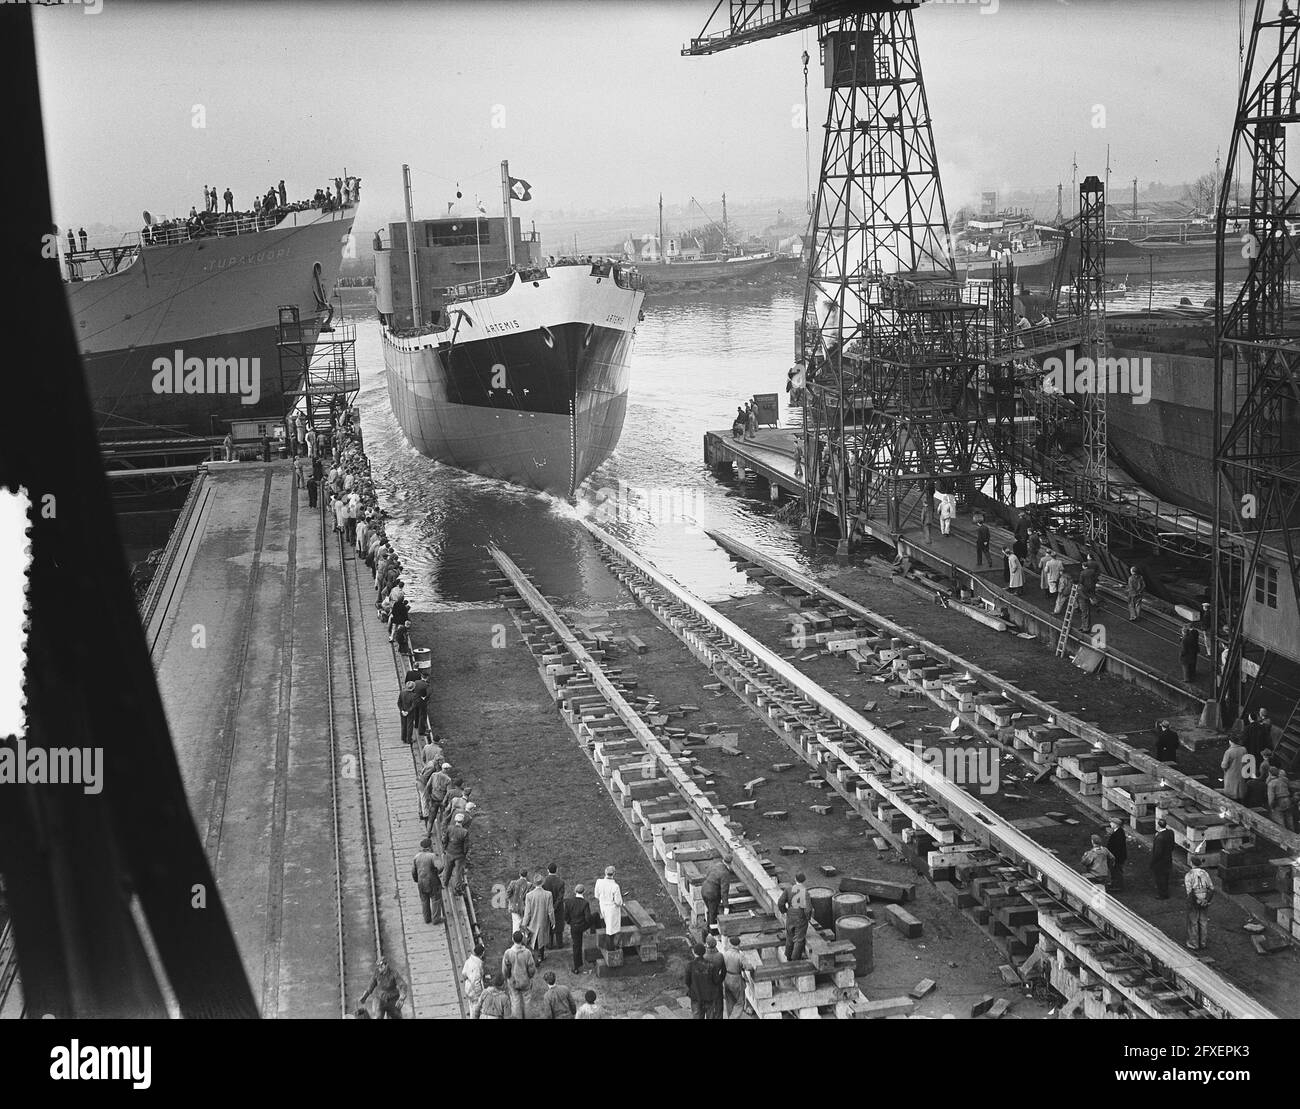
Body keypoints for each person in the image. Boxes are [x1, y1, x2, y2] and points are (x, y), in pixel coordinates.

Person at [501, 931, 537, 1019]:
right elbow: (531, 968)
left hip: (513, 981)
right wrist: (530, 976)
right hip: (525, 981)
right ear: (522, 939)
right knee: (527, 1001)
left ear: (513, 939)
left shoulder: (508, 953)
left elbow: (505, 969)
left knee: (515, 1001)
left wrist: (507, 977)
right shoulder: (527, 953)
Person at [776, 872, 811, 961]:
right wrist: (807, 918)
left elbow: (780, 902)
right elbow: (808, 909)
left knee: (790, 936)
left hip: (790, 915)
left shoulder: (788, 889)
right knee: (798, 939)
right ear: (804, 881)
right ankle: (795, 959)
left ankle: (788, 956)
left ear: (795, 879)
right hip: (800, 916)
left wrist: (784, 911)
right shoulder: (805, 892)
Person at [1184, 852, 1214, 951]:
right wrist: (1206, 900)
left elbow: (1189, 891)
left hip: (1195, 899)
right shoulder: (1205, 873)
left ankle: (1194, 944)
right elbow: (1211, 888)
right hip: (1205, 897)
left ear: (1192, 863)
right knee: (1203, 922)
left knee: (1193, 922)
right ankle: (1203, 943)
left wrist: (1196, 901)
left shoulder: (1189, 875)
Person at [522, 874, 556, 961]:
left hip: (532, 923)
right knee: (541, 941)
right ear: (543, 882)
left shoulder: (529, 895)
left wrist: (524, 924)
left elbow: (527, 913)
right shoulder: (548, 894)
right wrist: (553, 922)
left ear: (534, 883)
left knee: (535, 942)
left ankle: (536, 959)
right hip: (543, 922)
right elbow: (550, 911)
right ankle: (540, 957)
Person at [685, 942, 723, 1019]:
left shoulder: (690, 965)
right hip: (709, 997)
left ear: (694, 952)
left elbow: (687, 981)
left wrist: (693, 988)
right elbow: (716, 981)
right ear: (704, 952)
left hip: (696, 996)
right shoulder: (711, 965)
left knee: (697, 1016)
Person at [412, 836, 444, 925]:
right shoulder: (432, 856)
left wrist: (417, 880)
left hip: (421, 882)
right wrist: (436, 872)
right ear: (430, 847)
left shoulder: (416, 857)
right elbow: (440, 867)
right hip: (432, 882)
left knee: (424, 900)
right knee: (436, 899)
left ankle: (427, 919)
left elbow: (413, 871)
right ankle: (436, 919)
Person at [563, 884, 593, 973]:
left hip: (574, 927)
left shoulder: (568, 902)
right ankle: (594, 933)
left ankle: (576, 967)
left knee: (576, 946)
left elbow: (565, 916)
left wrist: (570, 922)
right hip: (583, 925)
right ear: (584, 892)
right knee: (596, 916)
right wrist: (588, 924)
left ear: (575, 891)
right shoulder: (585, 903)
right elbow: (588, 918)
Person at [441, 811, 469, 893]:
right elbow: (466, 846)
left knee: (447, 869)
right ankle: (457, 888)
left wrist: (444, 849)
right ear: (462, 821)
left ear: (455, 820)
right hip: (459, 855)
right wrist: (464, 853)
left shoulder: (449, 828)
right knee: (458, 872)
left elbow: (444, 840)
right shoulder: (464, 832)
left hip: (449, 852)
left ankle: (445, 883)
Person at [700, 859, 731, 933]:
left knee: (710, 910)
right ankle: (712, 934)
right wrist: (726, 906)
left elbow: (707, 875)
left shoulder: (716, 865)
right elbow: (724, 891)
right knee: (713, 913)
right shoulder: (725, 873)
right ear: (730, 864)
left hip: (704, 889)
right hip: (711, 894)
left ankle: (707, 928)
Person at [594, 865, 624, 938]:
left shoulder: (599, 882)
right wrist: (621, 902)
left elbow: (596, 895)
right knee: (611, 930)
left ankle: (611, 946)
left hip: (603, 906)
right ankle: (611, 947)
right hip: (612, 909)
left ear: (605, 872)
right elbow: (618, 902)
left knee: (608, 924)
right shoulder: (615, 886)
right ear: (614, 874)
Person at [721, 934, 747, 1018]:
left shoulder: (726, 953)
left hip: (727, 977)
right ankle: (733, 1017)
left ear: (730, 944)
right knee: (740, 1002)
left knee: (729, 1000)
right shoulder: (740, 956)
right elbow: (747, 967)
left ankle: (730, 1015)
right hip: (736, 979)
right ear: (738, 945)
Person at [1150, 818, 1175, 899]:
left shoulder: (1159, 838)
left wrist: (1153, 862)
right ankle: (1165, 892)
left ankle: (1162, 894)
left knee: (1160, 878)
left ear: (1158, 825)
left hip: (1160, 862)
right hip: (1168, 858)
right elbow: (1172, 846)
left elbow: (1158, 853)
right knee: (1166, 877)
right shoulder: (1170, 832)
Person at [703, 936, 727, 1019]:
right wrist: (720, 980)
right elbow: (724, 971)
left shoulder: (704, 957)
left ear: (707, 945)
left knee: (709, 1007)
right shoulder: (720, 956)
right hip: (717, 983)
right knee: (719, 1006)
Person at [542, 864, 565, 947]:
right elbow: (560, 897)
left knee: (549, 924)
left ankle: (549, 944)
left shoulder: (544, 882)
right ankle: (559, 943)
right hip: (558, 907)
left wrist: (549, 907)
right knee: (558, 924)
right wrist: (555, 906)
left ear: (548, 870)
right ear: (557, 870)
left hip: (547, 907)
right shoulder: (561, 882)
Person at [1221, 735, 1247, 802]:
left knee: (1231, 788)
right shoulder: (1244, 749)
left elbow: (1224, 765)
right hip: (1241, 771)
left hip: (1231, 772)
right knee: (1240, 787)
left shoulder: (1229, 752)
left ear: (1230, 742)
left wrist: (1225, 770)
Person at [506, 869, 531, 935]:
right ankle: (523, 941)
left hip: (514, 908)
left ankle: (516, 941)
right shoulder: (529, 885)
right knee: (524, 925)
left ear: (519, 874)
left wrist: (511, 901)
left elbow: (508, 894)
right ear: (526, 875)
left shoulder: (513, 883)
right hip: (524, 909)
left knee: (516, 925)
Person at [1106, 819, 1128, 892]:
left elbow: (1117, 848)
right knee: (1114, 871)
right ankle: (1114, 884)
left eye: (1111, 823)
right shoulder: (1119, 831)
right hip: (1117, 857)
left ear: (1115, 824)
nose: (1110, 824)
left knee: (1117, 871)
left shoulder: (1118, 834)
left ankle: (1118, 886)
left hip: (1117, 857)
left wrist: (1112, 857)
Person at [462, 943, 485, 1012]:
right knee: (476, 1010)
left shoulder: (468, 961)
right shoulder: (477, 966)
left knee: (471, 1007)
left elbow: (463, 973)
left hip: (468, 988)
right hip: (474, 992)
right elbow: (476, 982)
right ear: (482, 953)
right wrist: (480, 994)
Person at [398, 679, 419, 746]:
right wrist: (408, 711)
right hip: (410, 713)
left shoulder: (402, 693)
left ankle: (403, 738)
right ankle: (409, 740)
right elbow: (413, 705)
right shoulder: (414, 695)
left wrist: (402, 711)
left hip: (403, 712)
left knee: (403, 725)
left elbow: (399, 703)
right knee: (409, 726)